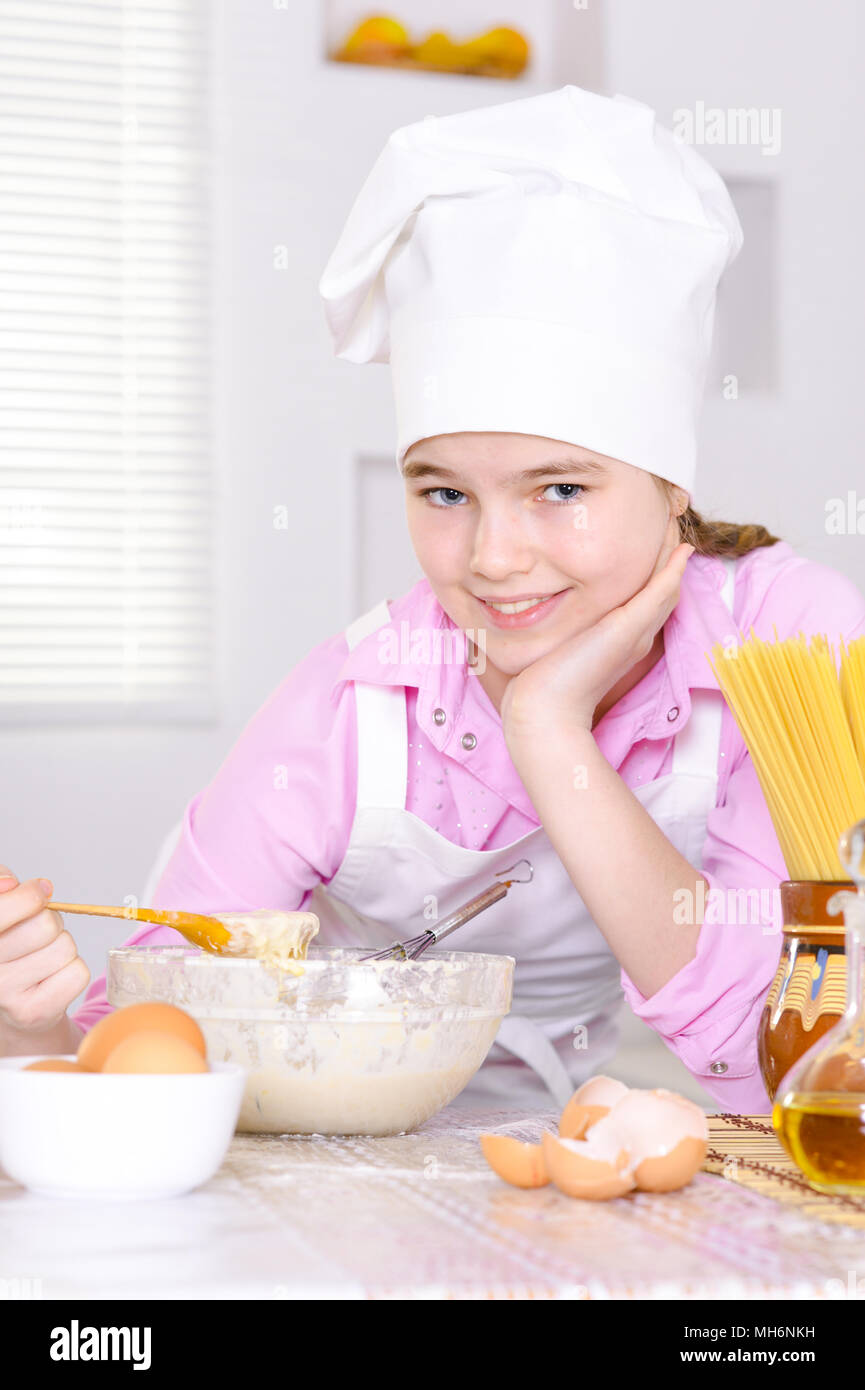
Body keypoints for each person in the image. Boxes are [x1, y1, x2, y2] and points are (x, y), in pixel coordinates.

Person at [2, 86, 864, 1111]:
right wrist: (37, 1026)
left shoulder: (791, 645)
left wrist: (549, 732)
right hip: (324, 1149)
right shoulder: (352, 707)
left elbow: (770, 1051)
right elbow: (146, 1039)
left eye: (560, 489)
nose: (494, 558)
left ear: (672, 488)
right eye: (444, 491)